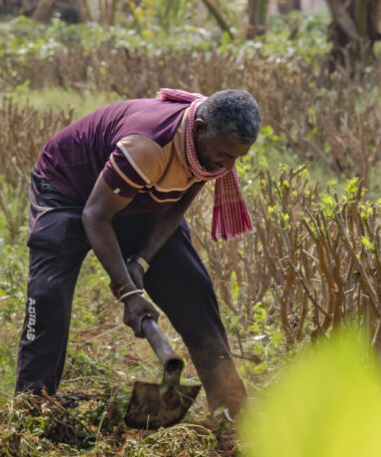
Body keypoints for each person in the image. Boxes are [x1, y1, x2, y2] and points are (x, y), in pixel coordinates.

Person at [16, 87, 259, 423]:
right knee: (49, 296)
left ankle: (231, 411)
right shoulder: (149, 145)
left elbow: (172, 214)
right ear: (200, 129)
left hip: (136, 195)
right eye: (223, 156)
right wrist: (130, 293)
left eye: (236, 158)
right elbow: (95, 216)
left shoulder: (207, 151)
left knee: (192, 289)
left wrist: (141, 261)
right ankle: (31, 413)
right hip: (67, 191)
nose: (227, 167)